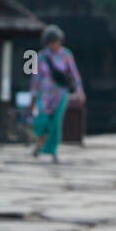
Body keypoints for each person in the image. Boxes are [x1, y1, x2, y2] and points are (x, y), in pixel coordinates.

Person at [29, 25, 85, 163]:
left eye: (55, 41)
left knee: (55, 123)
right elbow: (35, 77)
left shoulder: (66, 54)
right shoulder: (41, 56)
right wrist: (33, 96)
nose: (53, 44)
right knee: (42, 120)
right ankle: (40, 142)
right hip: (45, 95)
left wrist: (80, 91)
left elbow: (74, 74)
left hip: (60, 95)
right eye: (51, 42)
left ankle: (53, 152)